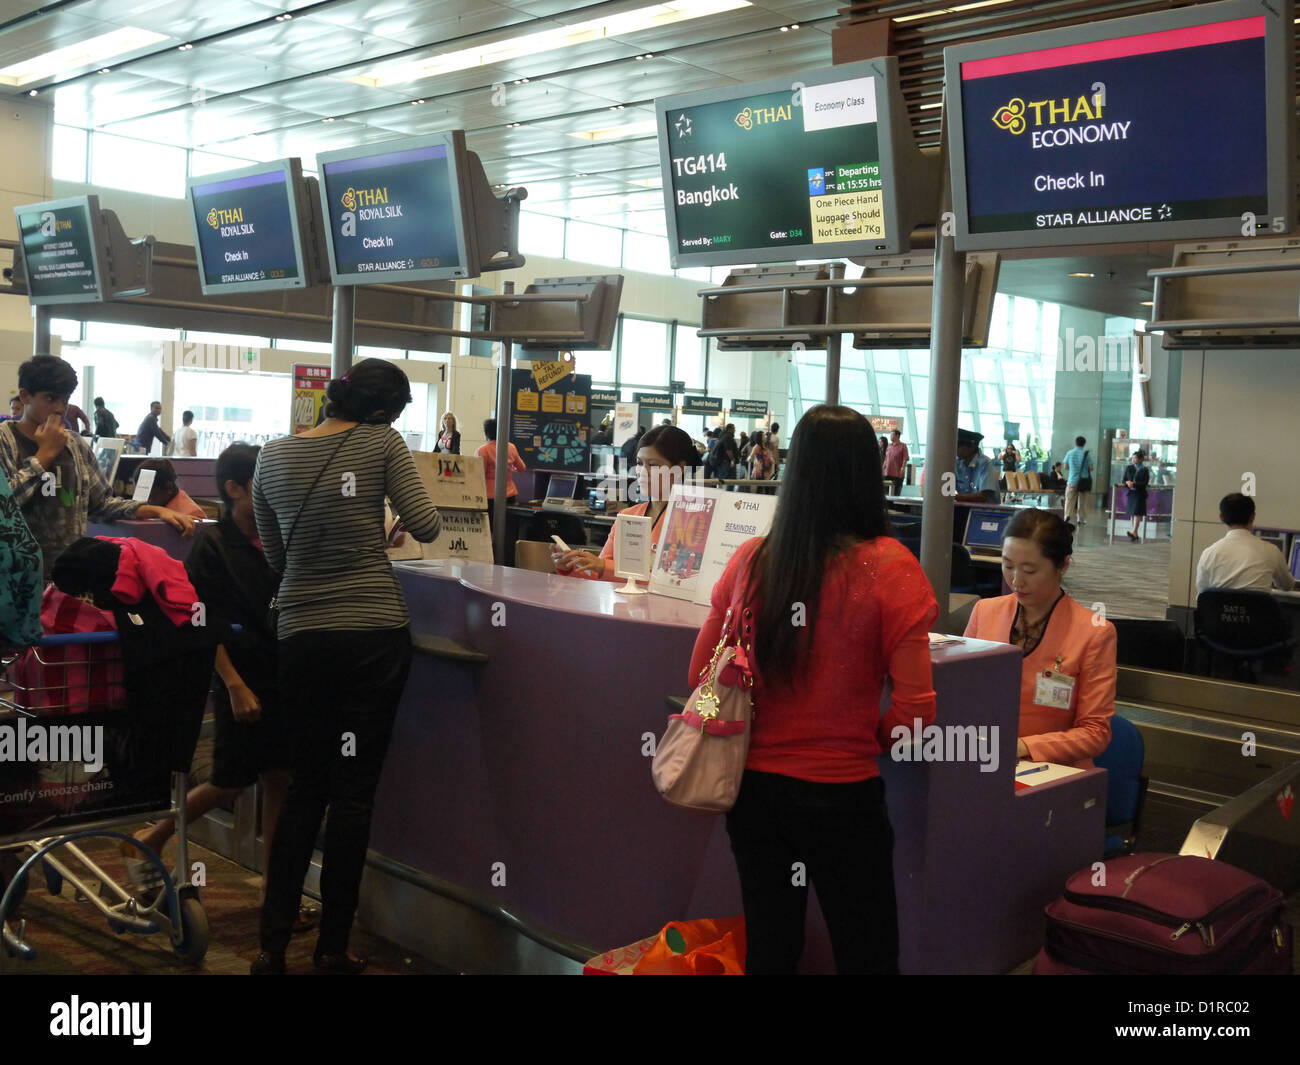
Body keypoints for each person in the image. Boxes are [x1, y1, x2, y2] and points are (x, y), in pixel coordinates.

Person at [688, 405, 937, 975]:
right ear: (867, 474)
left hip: (751, 791)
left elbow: (701, 672)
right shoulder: (891, 568)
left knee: (772, 949)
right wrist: (860, 739)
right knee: (867, 954)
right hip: (842, 796)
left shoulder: (754, 559)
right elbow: (917, 713)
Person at [250, 358, 441, 975]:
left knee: (306, 785)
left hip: (302, 637)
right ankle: (332, 950)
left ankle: (270, 947)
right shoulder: (382, 442)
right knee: (353, 795)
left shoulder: (271, 456)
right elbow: (429, 527)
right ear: (386, 410)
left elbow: (275, 556)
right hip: (371, 639)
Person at [121, 444, 314, 929]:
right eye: (262, 484)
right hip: (240, 676)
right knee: (230, 778)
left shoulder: (276, 537)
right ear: (234, 489)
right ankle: (154, 833)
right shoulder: (213, 545)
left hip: (280, 671)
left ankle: (277, 895)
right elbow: (200, 622)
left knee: (279, 780)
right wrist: (232, 683)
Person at [0, 356, 197, 580]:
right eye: (50, 398)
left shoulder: (75, 445)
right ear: (25, 396)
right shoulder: (5, 441)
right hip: (13, 581)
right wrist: (43, 456)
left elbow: (101, 503)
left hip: (67, 578)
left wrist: (155, 510)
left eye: (64, 401)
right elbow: (4, 506)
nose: (59, 409)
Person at [964, 509, 1116, 769]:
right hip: (983, 760)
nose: (1016, 580)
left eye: (1030, 570)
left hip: (1051, 771)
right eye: (1008, 565)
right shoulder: (985, 611)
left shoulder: (1094, 632)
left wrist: (1024, 747)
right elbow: (961, 692)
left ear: (1063, 565)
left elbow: (1095, 733)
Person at [552, 424, 695, 581]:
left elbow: (671, 581)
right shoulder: (627, 515)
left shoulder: (693, 520)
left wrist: (602, 566)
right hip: (623, 604)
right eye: (640, 463)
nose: (642, 472)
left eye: (653, 465)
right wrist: (572, 566)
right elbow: (599, 574)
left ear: (680, 468)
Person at [1195, 493, 1296, 595]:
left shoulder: (1208, 554)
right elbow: (1287, 585)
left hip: (1219, 611)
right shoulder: (1271, 551)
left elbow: (1202, 596)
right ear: (1252, 517)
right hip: (1257, 611)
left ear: (1221, 518)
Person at [135, 458, 207, 519]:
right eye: (141, 495)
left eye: (152, 497)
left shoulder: (192, 515)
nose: (146, 502)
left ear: (169, 488)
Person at [478, 418, 526, 503]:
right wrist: (510, 468)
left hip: (488, 495)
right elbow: (522, 468)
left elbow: (480, 474)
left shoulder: (482, 450)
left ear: (486, 433)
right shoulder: (511, 447)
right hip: (509, 493)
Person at [954, 428, 999, 503]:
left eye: (958, 445)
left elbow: (983, 497)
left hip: (985, 512)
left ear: (972, 447)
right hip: (965, 509)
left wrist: (954, 497)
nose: (955, 449)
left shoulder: (985, 463)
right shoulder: (957, 463)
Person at [1063, 436, 1092, 525]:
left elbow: (1065, 466)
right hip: (1083, 481)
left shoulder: (1070, 453)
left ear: (1076, 443)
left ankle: (1067, 515)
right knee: (1082, 501)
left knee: (1069, 499)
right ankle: (1080, 519)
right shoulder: (1086, 454)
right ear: (1084, 444)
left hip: (1072, 480)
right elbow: (1091, 468)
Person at [1123, 450, 1150, 542]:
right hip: (1131, 493)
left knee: (1137, 513)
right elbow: (1124, 480)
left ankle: (1134, 531)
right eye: (1133, 457)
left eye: (1135, 458)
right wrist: (1127, 483)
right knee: (1132, 513)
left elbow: (1145, 483)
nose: (1133, 459)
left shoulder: (1145, 470)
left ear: (1140, 459)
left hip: (1140, 494)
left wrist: (1134, 484)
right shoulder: (1129, 468)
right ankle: (1135, 533)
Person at [882, 428, 908, 496]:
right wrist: (882, 469)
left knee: (896, 493)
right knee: (885, 493)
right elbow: (886, 459)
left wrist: (903, 468)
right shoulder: (889, 446)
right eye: (890, 435)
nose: (890, 436)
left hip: (897, 474)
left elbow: (905, 458)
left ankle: (894, 506)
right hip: (887, 473)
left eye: (892, 435)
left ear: (897, 436)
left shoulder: (903, 446)